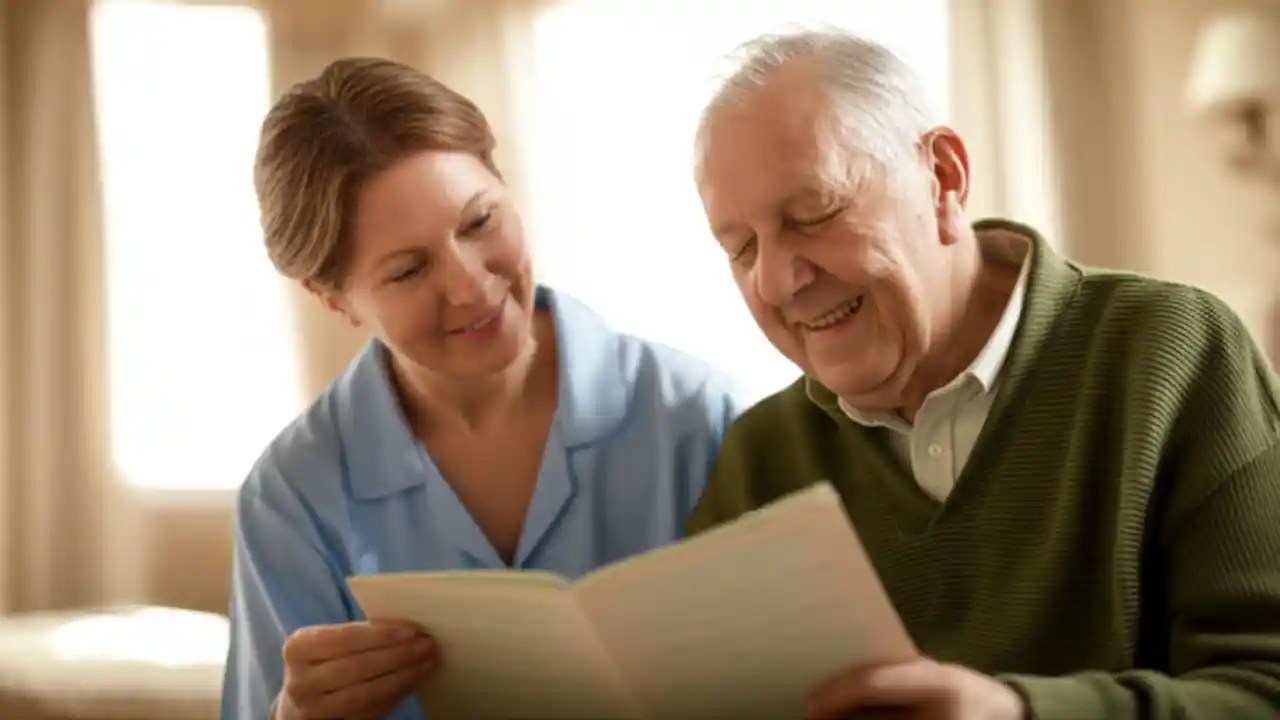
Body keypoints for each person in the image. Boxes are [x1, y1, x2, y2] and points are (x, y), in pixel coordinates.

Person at [687, 28, 1280, 719]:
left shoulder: (1172, 354)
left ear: (942, 177)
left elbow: (1264, 689)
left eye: (814, 213)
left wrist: (1019, 713)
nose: (777, 280)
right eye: (741, 248)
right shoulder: (759, 460)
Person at [220, 57, 745, 720]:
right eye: (409, 271)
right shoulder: (293, 497)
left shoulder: (697, 419)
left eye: (478, 223)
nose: (471, 286)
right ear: (331, 299)